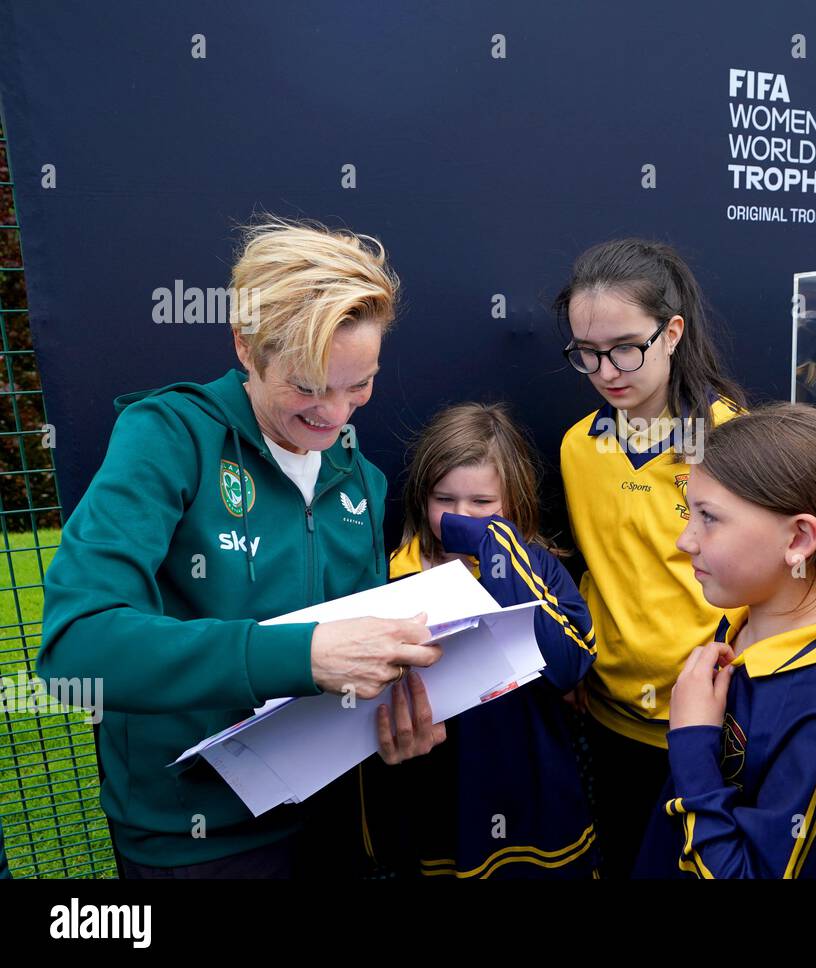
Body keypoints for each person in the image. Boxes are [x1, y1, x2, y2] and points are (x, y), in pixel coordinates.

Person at [38, 217, 444, 878]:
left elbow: (353, 663)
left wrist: (395, 718)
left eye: (359, 384)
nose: (337, 416)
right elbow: (76, 650)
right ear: (246, 346)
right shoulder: (167, 436)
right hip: (195, 837)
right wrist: (298, 654)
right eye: (308, 387)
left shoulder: (360, 477)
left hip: (335, 815)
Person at [634, 404, 816, 877]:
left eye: (709, 518)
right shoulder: (737, 624)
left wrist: (692, 744)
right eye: (689, 513)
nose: (685, 541)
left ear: (798, 539)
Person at [556, 238, 746, 876]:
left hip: (709, 727)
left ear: (672, 332)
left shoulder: (729, 442)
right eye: (588, 354)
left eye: (626, 347)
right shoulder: (578, 447)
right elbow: (602, 568)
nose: (608, 370)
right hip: (610, 723)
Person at [359, 402, 597, 878]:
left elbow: (569, 664)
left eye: (481, 504)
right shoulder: (392, 576)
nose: (459, 519)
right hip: (437, 794)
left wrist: (494, 546)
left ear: (511, 502)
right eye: (444, 500)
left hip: (531, 794)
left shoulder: (537, 565)